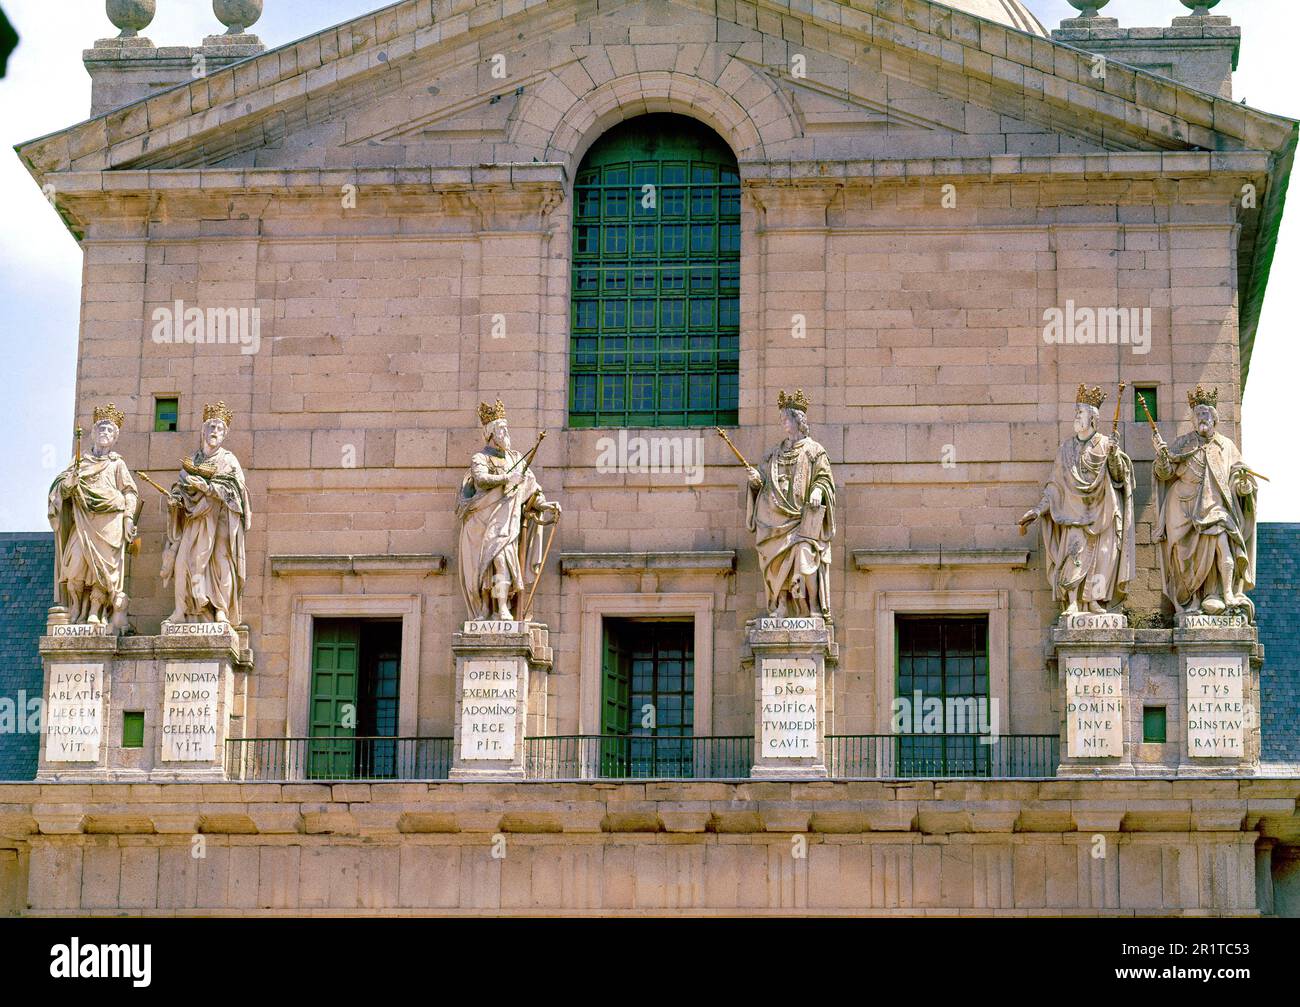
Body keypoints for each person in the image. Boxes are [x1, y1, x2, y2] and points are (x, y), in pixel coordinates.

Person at [1019, 384, 1135, 615]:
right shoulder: (1065, 450)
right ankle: (1072, 601)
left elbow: (1120, 477)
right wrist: (1038, 510)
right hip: (1074, 514)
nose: (1076, 417)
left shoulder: (1105, 444)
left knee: (1103, 556)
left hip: (1103, 512)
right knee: (1074, 555)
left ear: (1092, 419)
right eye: (1076, 413)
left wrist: (1114, 455)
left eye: (1080, 414)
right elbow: (1054, 487)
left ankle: (1093, 600)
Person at [1152, 384, 1258, 617]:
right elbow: (1165, 472)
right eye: (1198, 414)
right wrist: (1161, 455)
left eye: (1206, 414)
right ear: (1192, 419)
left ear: (1214, 418)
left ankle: (1227, 592)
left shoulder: (1226, 445)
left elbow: (1239, 474)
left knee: (1224, 545)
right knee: (1183, 556)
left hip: (1215, 506)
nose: (1202, 418)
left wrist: (1243, 484)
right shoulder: (1183, 443)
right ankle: (1193, 599)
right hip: (1182, 508)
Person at [456, 400, 561, 621]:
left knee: (502, 560)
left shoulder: (515, 458)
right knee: (484, 567)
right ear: (492, 433)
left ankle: (502, 608)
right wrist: (507, 478)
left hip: (507, 523)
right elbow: (481, 479)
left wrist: (545, 505)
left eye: (506, 428)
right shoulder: (480, 458)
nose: (506, 433)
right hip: (482, 521)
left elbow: (530, 490)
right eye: (502, 429)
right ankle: (486, 607)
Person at [745, 389, 836, 618]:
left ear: (798, 420)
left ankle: (813, 607)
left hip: (803, 519)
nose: (783, 423)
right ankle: (781, 604)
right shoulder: (774, 454)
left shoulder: (815, 450)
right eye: (781, 419)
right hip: (775, 519)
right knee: (775, 560)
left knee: (806, 557)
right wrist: (755, 483)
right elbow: (764, 481)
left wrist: (817, 489)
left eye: (787, 418)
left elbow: (825, 479)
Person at [48, 403, 139, 626]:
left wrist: (128, 518)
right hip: (83, 519)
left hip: (110, 522)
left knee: (103, 571)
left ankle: (95, 610)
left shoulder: (117, 464)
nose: (105, 433)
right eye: (101, 429)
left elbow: (130, 492)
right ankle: (76, 607)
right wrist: (67, 485)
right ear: (93, 433)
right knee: (75, 565)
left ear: (115, 437)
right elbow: (60, 488)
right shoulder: (80, 462)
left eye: (109, 430)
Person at [161, 401, 251, 625]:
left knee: (221, 561)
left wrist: (208, 488)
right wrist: (177, 499)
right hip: (194, 519)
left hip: (220, 519)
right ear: (203, 430)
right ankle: (181, 610)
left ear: (225, 434)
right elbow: (179, 487)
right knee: (183, 562)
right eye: (211, 427)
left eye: (219, 429)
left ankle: (220, 608)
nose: (215, 432)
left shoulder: (228, 461)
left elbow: (238, 493)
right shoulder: (192, 461)